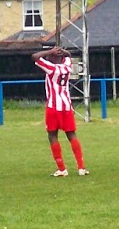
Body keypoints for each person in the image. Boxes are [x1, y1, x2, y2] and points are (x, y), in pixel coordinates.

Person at [33, 46, 87, 176]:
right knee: (71, 134)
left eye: (49, 56)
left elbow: (35, 57)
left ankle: (62, 169)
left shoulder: (51, 68)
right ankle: (81, 167)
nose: (47, 57)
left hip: (53, 106)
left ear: (53, 58)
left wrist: (50, 51)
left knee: (52, 135)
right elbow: (68, 56)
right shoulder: (67, 67)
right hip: (67, 105)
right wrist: (63, 52)